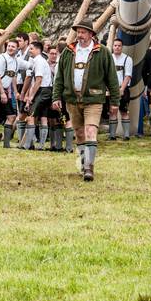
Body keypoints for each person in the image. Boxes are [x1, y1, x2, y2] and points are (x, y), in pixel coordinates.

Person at [52, 19, 119, 181]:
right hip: (72, 99)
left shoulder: (102, 52)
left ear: (91, 34)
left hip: (94, 98)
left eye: (83, 32)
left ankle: (89, 168)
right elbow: (59, 77)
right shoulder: (68, 51)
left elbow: (112, 78)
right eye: (78, 32)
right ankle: (83, 163)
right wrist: (56, 96)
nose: (80, 35)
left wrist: (115, 101)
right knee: (80, 133)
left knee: (90, 130)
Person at [109, 37, 133, 141]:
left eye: (119, 46)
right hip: (111, 89)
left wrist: (122, 89)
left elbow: (128, 76)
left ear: (122, 47)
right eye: (115, 45)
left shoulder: (127, 59)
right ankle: (112, 135)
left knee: (124, 111)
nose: (117, 47)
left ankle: (126, 135)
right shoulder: (109, 58)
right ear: (113, 47)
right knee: (112, 111)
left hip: (123, 88)